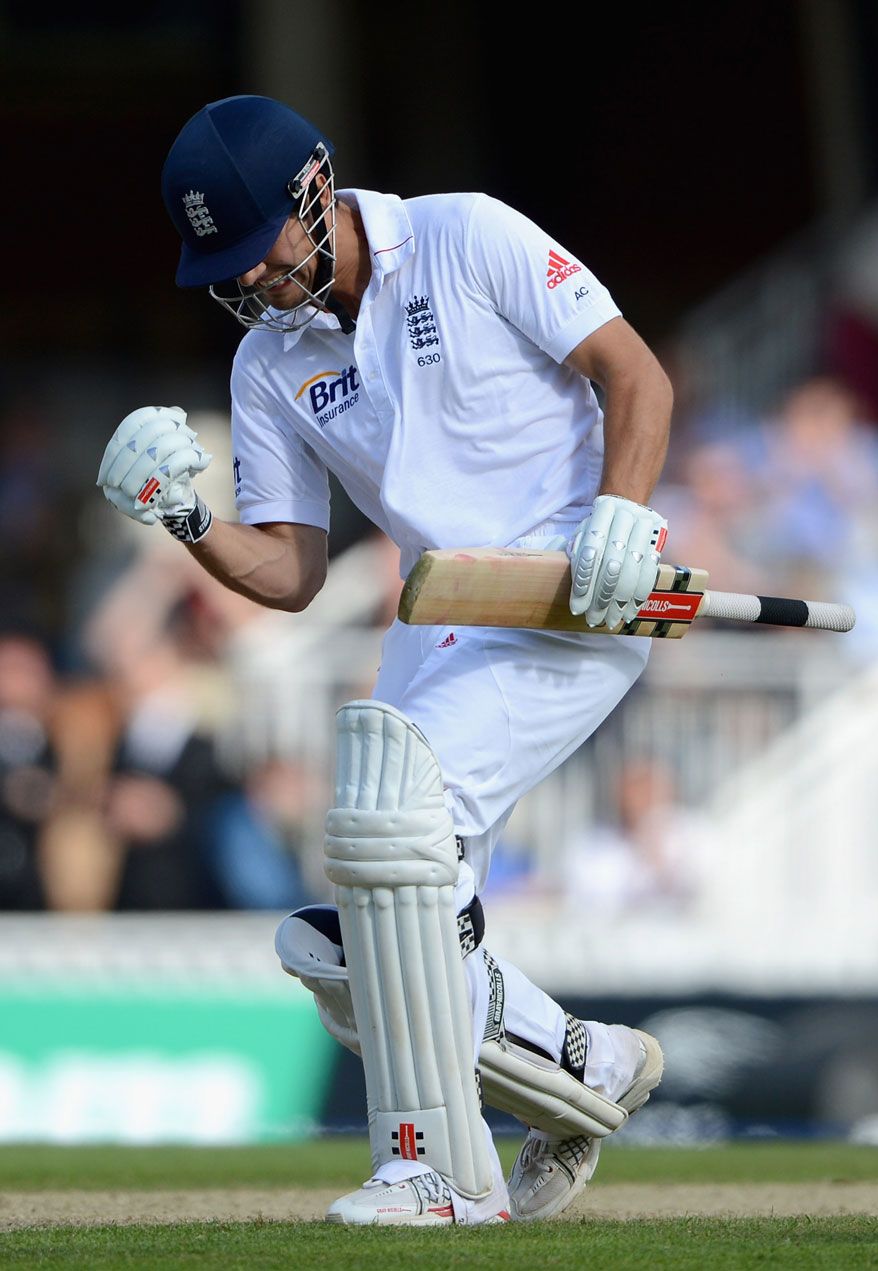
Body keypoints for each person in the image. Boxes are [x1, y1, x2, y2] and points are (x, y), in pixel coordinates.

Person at [96, 94, 671, 1226]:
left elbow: (634, 374)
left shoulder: (467, 235)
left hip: (575, 584)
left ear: (315, 185)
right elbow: (293, 573)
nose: (250, 281)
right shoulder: (270, 363)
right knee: (351, 931)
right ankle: (579, 1057)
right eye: (225, 266)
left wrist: (627, 514)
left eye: (257, 248)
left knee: (394, 832)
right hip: (441, 602)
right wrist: (184, 516)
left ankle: (440, 1172)